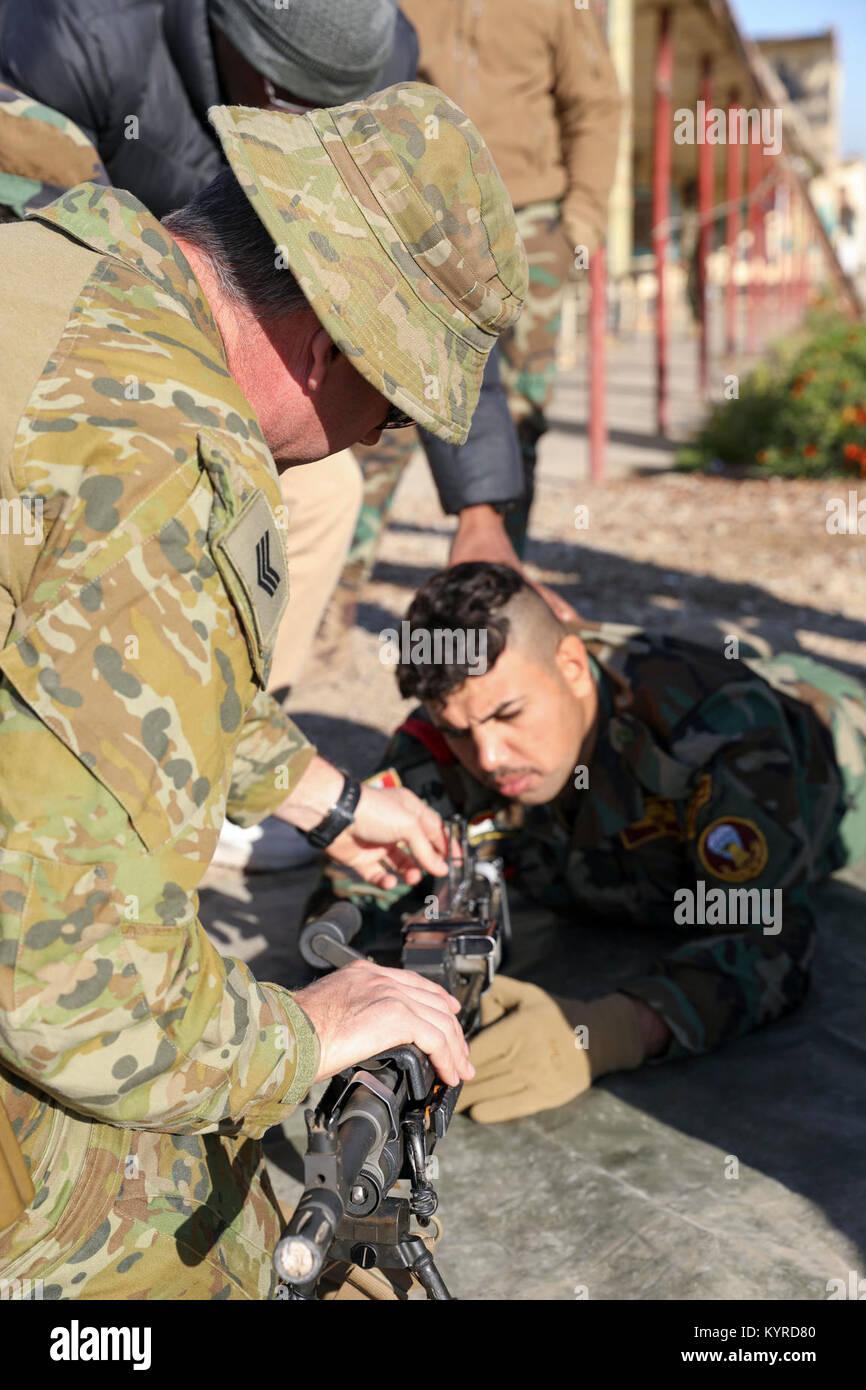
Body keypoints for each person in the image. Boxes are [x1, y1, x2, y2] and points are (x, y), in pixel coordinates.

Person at [0, 85, 527, 1296]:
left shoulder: (72, 254)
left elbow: (79, 659)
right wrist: (300, 1031)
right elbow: (79, 1001)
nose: (368, 438)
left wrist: (325, 797)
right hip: (61, 991)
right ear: (328, 342)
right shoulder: (162, 467)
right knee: (187, 1228)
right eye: (391, 407)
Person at [320, 563, 866, 1123]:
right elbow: (354, 904)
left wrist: (615, 1032)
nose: (488, 757)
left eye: (509, 714)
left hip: (843, 745)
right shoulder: (450, 730)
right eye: (459, 731)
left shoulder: (719, 736)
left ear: (573, 667)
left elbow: (770, 937)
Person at [337, 0, 624, 580]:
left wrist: (579, 227)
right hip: (421, 217)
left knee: (520, 413)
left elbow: (595, 105)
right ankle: (336, 596)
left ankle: (497, 578)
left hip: (530, 228)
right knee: (386, 397)